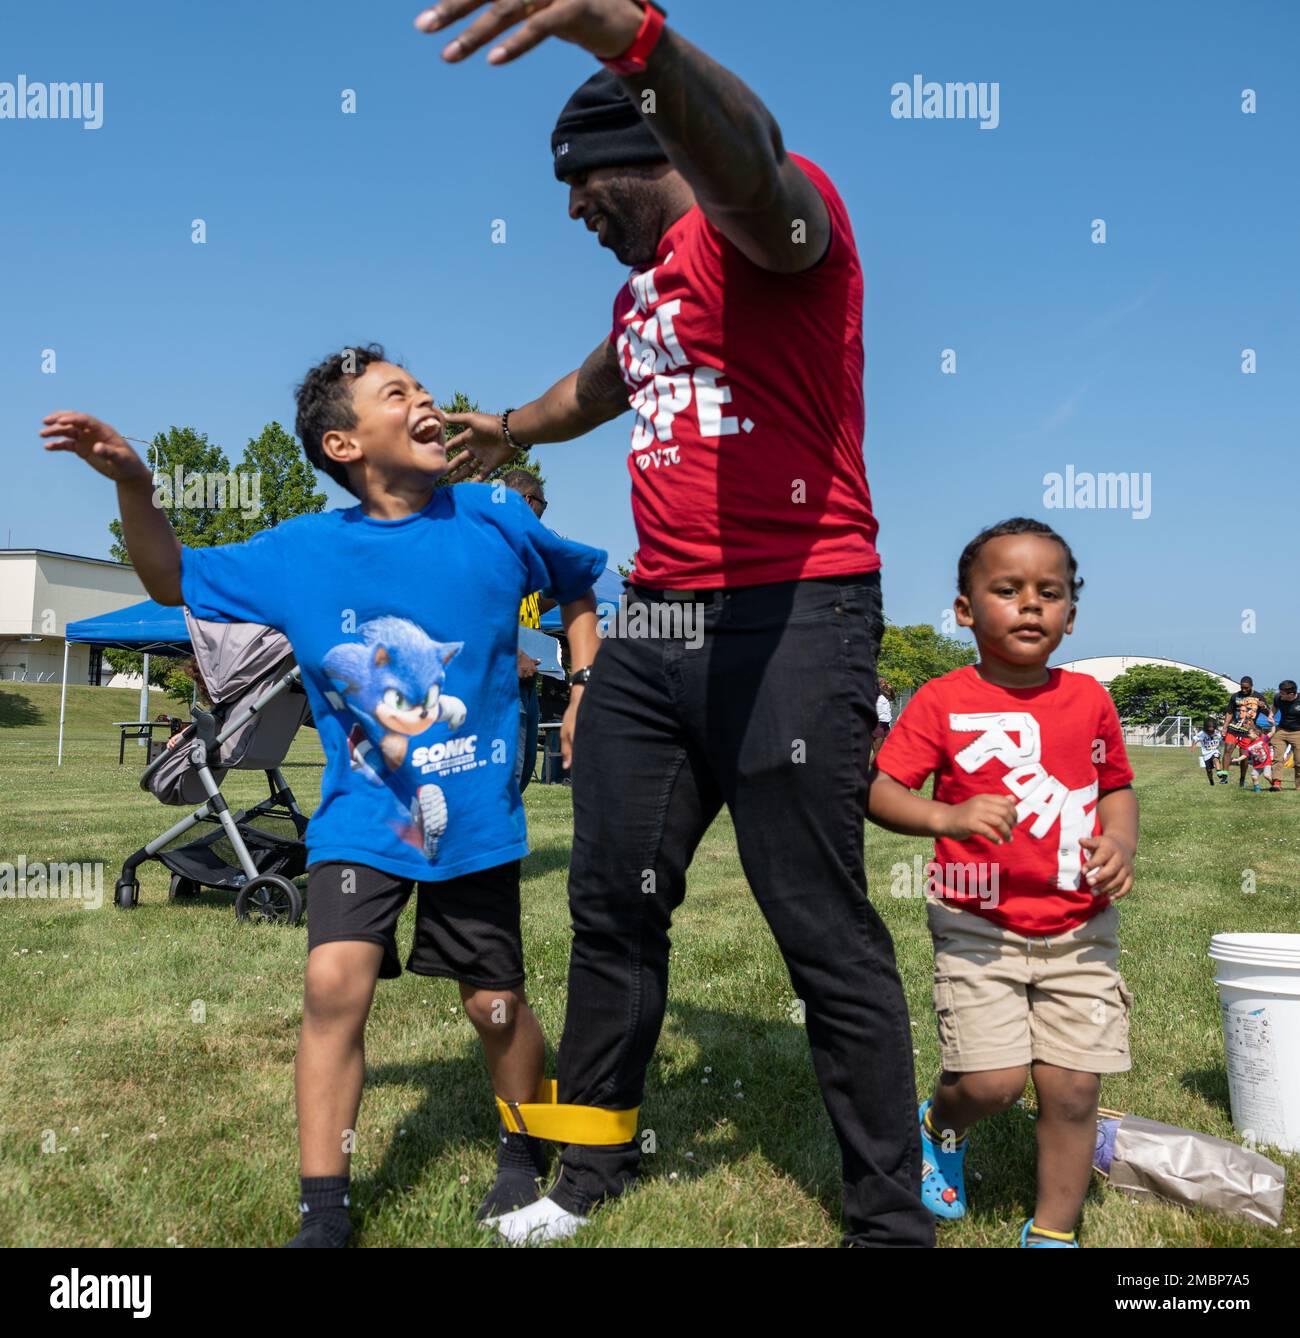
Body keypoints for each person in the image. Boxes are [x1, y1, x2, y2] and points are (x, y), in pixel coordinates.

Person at [421, 0, 932, 1247]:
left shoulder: (774, 224)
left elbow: (748, 158)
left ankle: (885, 1221)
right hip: (659, 630)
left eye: (579, 184)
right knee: (613, 900)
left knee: (814, 918)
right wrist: (505, 431)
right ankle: (587, 1167)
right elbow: (587, 392)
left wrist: (627, 37)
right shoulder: (641, 300)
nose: (571, 210)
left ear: (638, 153)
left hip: (795, 612)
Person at [41, 343, 606, 1246]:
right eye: (398, 394)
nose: (426, 400)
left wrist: (583, 685)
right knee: (333, 986)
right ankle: (325, 1215)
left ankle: (518, 1157)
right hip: (360, 819)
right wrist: (135, 488)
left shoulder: (496, 514)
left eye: (421, 388)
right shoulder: (301, 551)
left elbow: (579, 582)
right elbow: (170, 578)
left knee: (492, 1004)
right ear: (344, 445)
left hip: (476, 820)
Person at [867, 518, 1139, 1249]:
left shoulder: (1089, 701)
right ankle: (939, 1126)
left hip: (1081, 927)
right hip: (977, 924)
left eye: (1049, 593)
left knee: (1075, 1088)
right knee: (993, 1082)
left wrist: (1120, 842)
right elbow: (883, 790)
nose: (1029, 605)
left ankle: (1052, 1232)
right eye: (1007, 590)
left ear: (1070, 617)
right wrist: (947, 815)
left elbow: (1117, 787)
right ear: (964, 610)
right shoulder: (939, 700)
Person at [502, 469, 556, 793]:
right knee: (506, 775)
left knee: (521, 772)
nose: (542, 515)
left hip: (527, 676)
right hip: (504, 677)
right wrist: (516, 655)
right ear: (526, 500)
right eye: (543, 505)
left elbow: (530, 605)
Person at [1221, 676, 1270, 785]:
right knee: (1228, 750)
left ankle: (1242, 780)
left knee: (1244, 755)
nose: (1243, 690)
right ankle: (1224, 777)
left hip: (1248, 732)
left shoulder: (1259, 697)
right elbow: (1229, 712)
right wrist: (1224, 727)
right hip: (1233, 728)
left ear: (1251, 686)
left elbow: (1269, 713)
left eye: (1246, 688)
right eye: (1242, 687)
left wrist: (1264, 707)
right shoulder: (1235, 696)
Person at [1270, 679, 1299, 792]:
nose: (1280, 695)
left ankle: (1298, 786)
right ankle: (1276, 783)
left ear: (1291, 694)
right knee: (1277, 758)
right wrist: (1271, 715)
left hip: (1298, 732)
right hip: (1281, 731)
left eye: (1283, 693)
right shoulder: (1278, 698)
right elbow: (1274, 707)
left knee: (1298, 761)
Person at [1242, 724, 1275, 793]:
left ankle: (1274, 785)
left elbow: (1272, 732)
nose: (1248, 735)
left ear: (1256, 734)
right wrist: (1237, 759)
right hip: (1257, 765)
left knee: (1267, 775)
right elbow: (1245, 755)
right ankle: (1257, 790)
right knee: (1254, 776)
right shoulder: (1249, 745)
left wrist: (1273, 724)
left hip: (1266, 762)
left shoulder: (1263, 739)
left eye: (1250, 733)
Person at [1191, 717, 1223, 787]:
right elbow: (1195, 739)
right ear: (1206, 729)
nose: (1211, 732)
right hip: (1206, 754)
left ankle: (1219, 773)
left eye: (1212, 731)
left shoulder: (1217, 733)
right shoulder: (1202, 733)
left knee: (1216, 759)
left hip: (1215, 750)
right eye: (1209, 731)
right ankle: (1211, 781)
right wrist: (1193, 745)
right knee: (1208, 770)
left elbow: (1222, 738)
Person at [871, 677, 896, 763]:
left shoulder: (883, 693)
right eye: (883, 683)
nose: (885, 684)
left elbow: (893, 698)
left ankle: (876, 768)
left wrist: (891, 689)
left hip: (886, 724)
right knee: (877, 752)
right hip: (877, 724)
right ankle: (869, 770)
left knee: (890, 746)